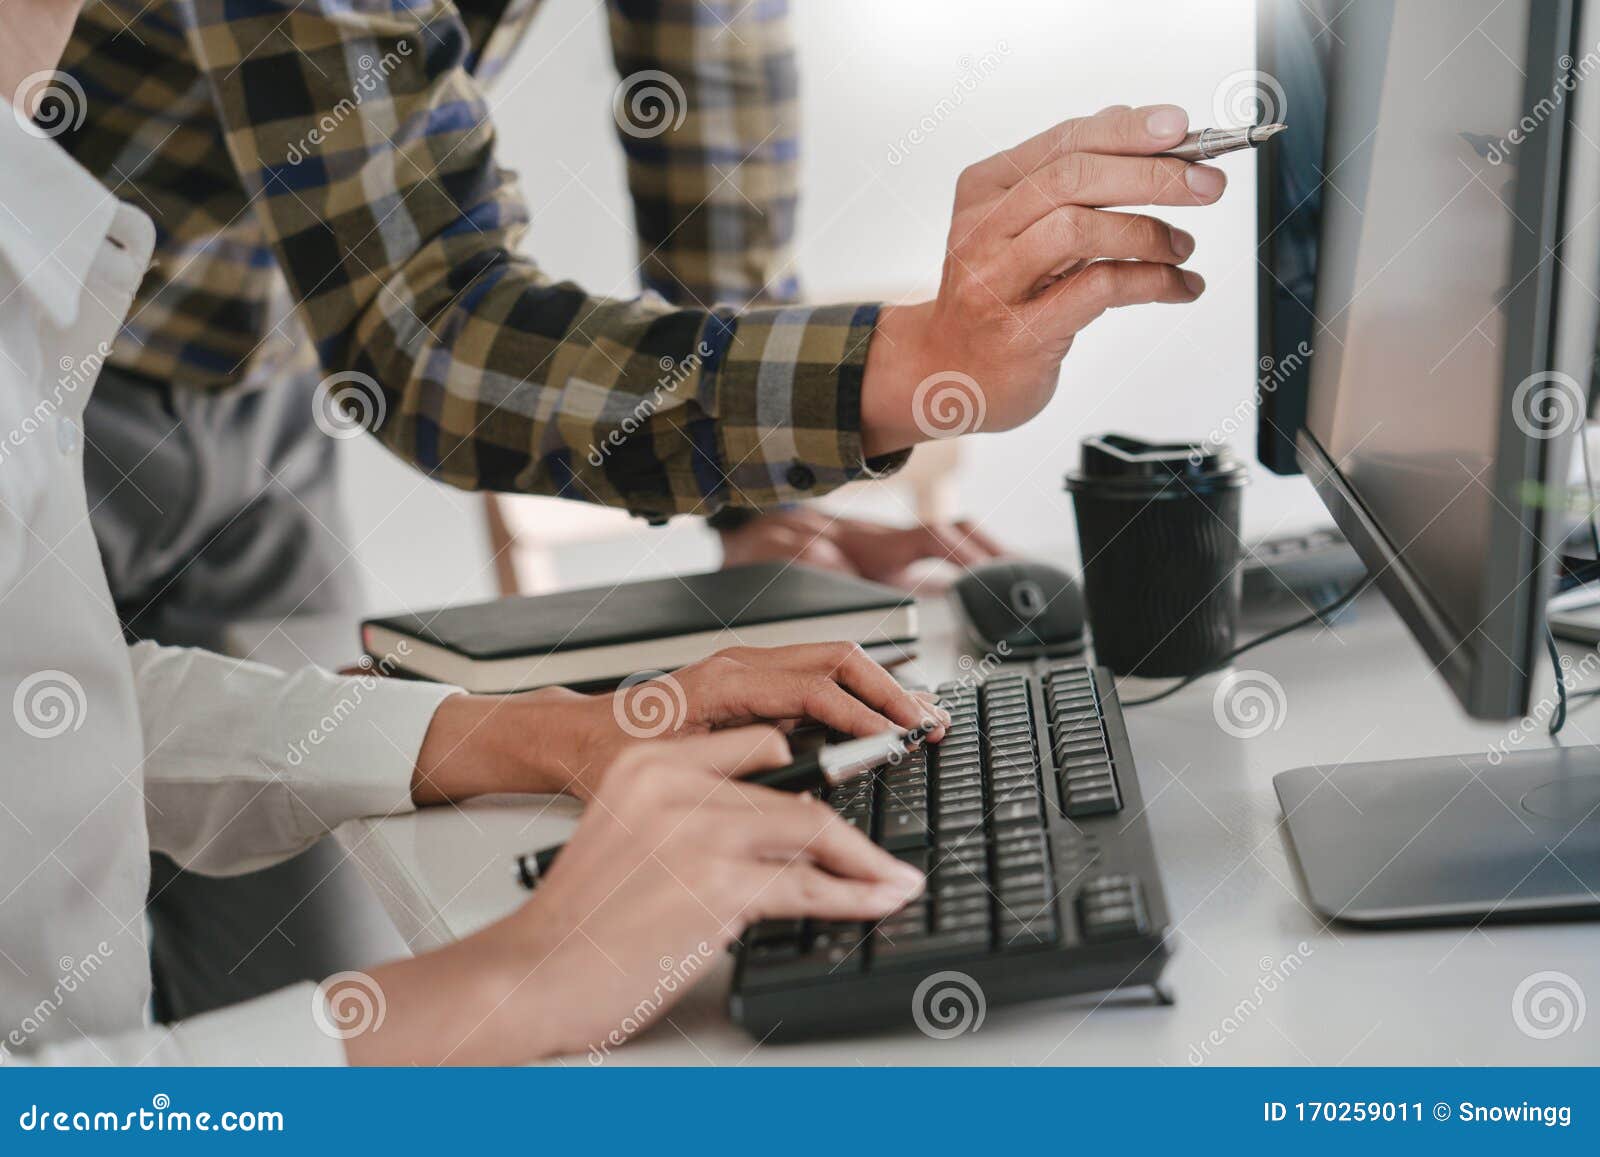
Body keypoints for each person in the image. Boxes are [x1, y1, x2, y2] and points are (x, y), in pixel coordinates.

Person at [36, 0, 1220, 1038]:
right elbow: (428, 332)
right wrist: (911, 359)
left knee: (315, 953)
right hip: (49, 363)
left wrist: (756, 511)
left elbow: (712, 101)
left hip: (252, 382)